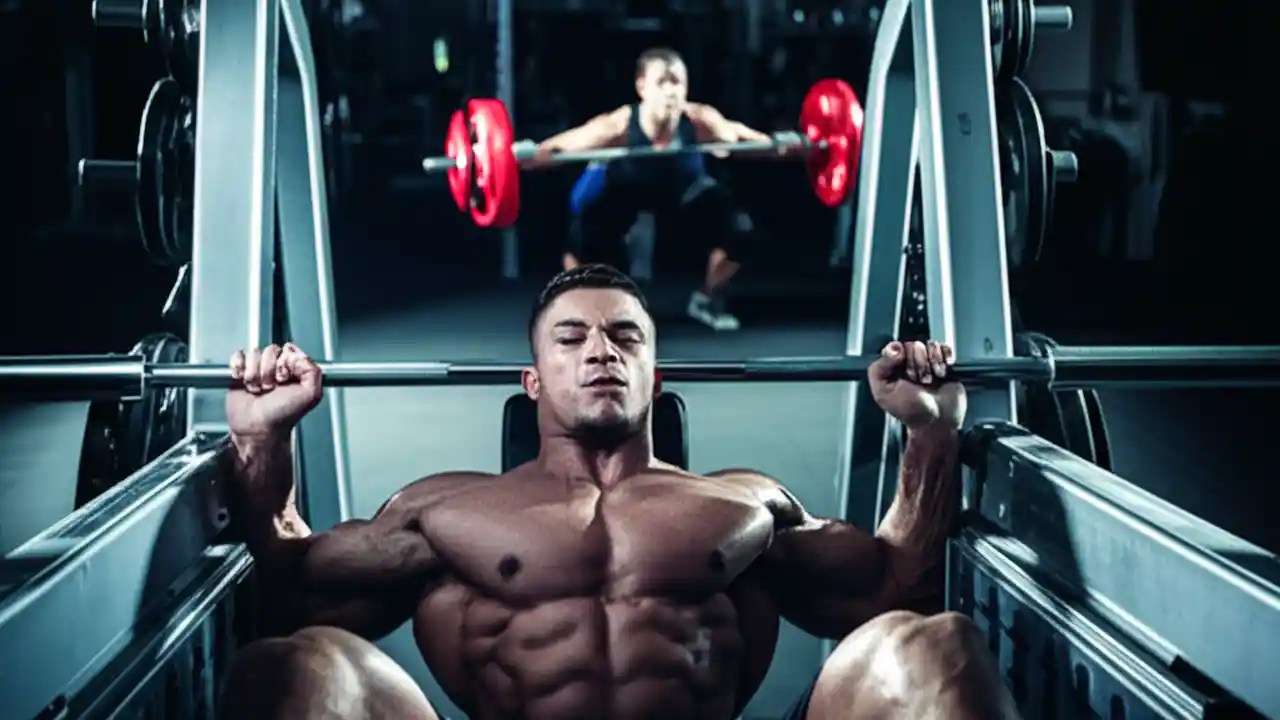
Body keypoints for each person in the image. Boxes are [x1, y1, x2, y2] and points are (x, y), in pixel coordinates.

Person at [219, 264, 1022, 720]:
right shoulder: (444, 513)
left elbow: (899, 590)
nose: (599, 350)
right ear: (533, 380)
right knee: (298, 667)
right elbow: (288, 593)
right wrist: (263, 437)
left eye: (625, 336)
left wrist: (930, 432)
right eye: (571, 338)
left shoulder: (743, 506)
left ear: (655, 374)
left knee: (937, 647)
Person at [539, 47, 777, 332]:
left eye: (677, 82)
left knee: (740, 230)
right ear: (642, 87)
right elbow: (565, 143)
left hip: (680, 193)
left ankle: (705, 300)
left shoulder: (699, 120)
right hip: (627, 191)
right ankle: (582, 312)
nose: (670, 91)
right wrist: (531, 153)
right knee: (583, 237)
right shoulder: (619, 125)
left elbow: (745, 138)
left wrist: (784, 145)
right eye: (661, 82)